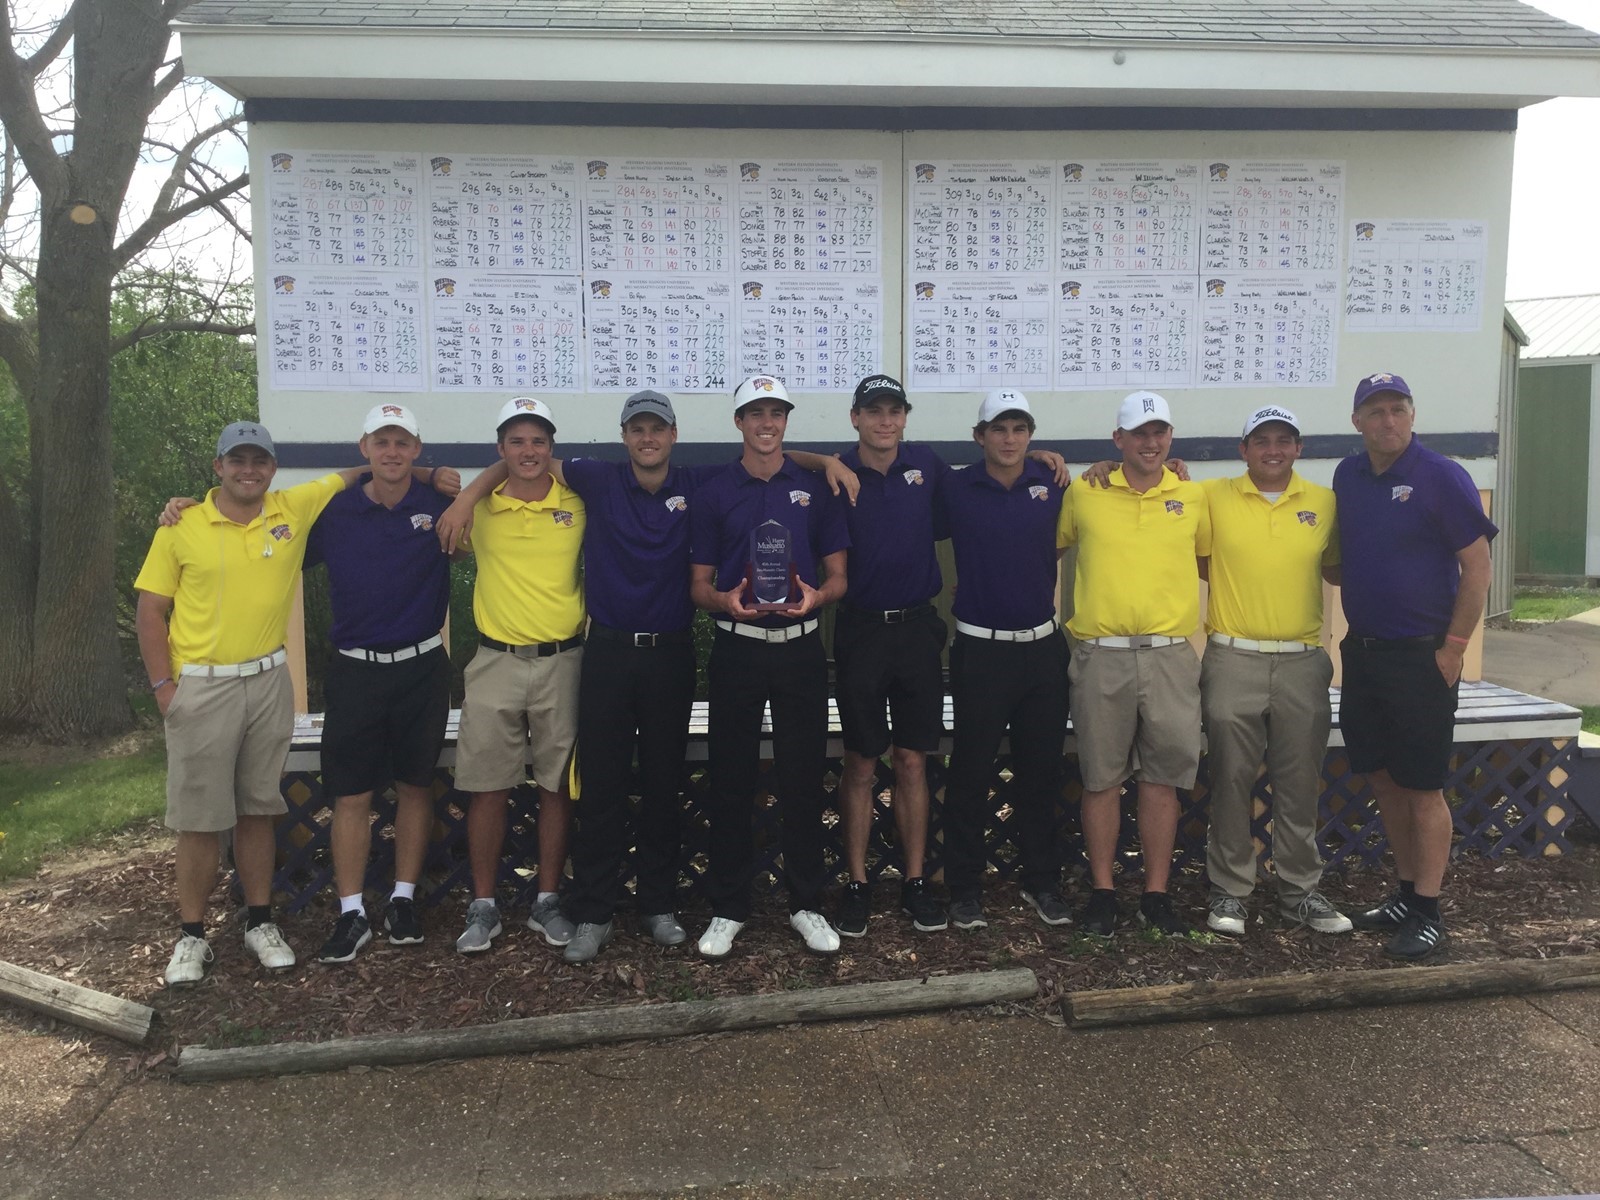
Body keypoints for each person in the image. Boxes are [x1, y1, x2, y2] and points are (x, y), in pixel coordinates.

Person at [437, 392, 858, 964]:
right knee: (603, 785)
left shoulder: (698, 480)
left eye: (657, 429)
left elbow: (768, 453)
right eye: (637, 430)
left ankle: (658, 905)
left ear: (673, 435)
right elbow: (519, 460)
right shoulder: (598, 479)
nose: (648, 439)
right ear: (625, 436)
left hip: (671, 654)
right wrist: (467, 493)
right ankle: (593, 912)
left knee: (664, 783)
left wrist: (827, 463)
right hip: (607, 654)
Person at [136, 423, 353, 984]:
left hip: (267, 680)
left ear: (273, 468)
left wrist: (431, 474)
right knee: (200, 820)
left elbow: (362, 472)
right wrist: (165, 689)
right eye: (238, 460)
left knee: (260, 809)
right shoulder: (181, 525)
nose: (249, 469)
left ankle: (260, 922)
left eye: (259, 460)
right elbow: (151, 611)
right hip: (200, 687)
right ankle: (191, 937)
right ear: (219, 467)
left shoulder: (291, 509)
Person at [1334, 371, 1495, 961]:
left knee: (1424, 787)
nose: (1388, 421)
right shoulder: (1348, 475)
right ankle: (1404, 895)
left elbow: (1477, 567)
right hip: (1365, 653)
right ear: (1357, 422)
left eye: (1398, 409)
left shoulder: (1441, 476)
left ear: (1412, 414)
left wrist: (1454, 647)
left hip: (1423, 656)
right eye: (1375, 412)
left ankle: (1428, 911)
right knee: (1383, 777)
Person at [689, 374, 849, 958]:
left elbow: (839, 578)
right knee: (731, 778)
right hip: (737, 647)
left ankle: (807, 903)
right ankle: (729, 907)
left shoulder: (814, 489)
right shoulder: (713, 492)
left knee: (803, 777)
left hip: (802, 648)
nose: (766, 423)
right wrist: (725, 602)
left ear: (786, 421)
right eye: (755, 413)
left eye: (776, 413)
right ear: (738, 422)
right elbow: (698, 587)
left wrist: (818, 599)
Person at [306, 404, 457, 963]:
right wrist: (187, 508)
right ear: (363, 447)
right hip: (353, 668)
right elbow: (261, 527)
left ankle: (402, 900)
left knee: (417, 785)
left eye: (403, 443)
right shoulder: (333, 511)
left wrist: (434, 480)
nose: (392, 451)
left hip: (421, 666)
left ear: (417, 449)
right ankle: (351, 913)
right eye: (381, 441)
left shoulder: (438, 504)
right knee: (352, 795)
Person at [1057, 390, 1210, 938]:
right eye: (1139, 433)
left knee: (1161, 781)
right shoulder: (1085, 492)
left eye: (1160, 432)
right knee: (1100, 779)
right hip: (1102, 656)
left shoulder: (1194, 497)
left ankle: (1156, 893)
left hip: (1170, 655)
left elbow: (1216, 562)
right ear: (1117, 440)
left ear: (1170, 439)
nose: (1151, 442)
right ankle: (1103, 892)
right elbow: (1045, 548)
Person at [1198, 404, 1352, 937]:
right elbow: (1197, 554)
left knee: (1298, 782)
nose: (1273, 449)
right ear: (1244, 450)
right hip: (1231, 656)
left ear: (1298, 448)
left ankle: (1300, 891)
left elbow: (1335, 566)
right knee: (1230, 779)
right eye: (1261, 440)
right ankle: (1231, 890)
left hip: (1302, 661)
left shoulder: (1325, 503)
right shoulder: (1212, 496)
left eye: (1284, 440)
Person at [450, 396, 586, 954]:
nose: (528, 451)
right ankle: (484, 905)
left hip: (564, 662)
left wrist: (471, 485)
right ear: (500, 448)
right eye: (516, 441)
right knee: (488, 788)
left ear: (551, 449)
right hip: (494, 662)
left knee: (558, 787)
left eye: (538, 441)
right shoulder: (476, 509)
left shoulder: (578, 500)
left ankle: (547, 899)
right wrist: (467, 492)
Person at [938, 389, 1071, 931]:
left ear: (1031, 435)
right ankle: (964, 887)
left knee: (1040, 773)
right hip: (980, 650)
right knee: (971, 772)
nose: (1010, 438)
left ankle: (1042, 882)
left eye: (1019, 429)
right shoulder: (955, 486)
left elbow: (1113, 481)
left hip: (1042, 649)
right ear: (979, 436)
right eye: (999, 428)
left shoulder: (1053, 484)